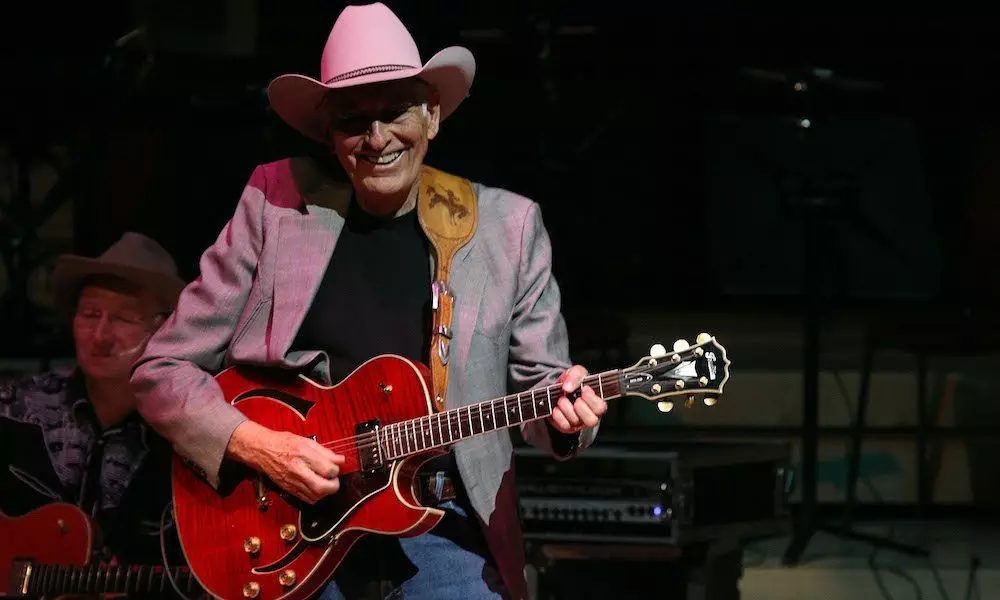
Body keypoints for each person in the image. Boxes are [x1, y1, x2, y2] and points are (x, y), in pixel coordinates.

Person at [129, 3, 607, 599]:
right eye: (354, 120)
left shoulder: (506, 227)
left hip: (444, 525)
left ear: (432, 116)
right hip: (289, 523)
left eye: (395, 112)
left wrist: (565, 417)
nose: (377, 138)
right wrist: (254, 444)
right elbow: (161, 370)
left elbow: (543, 389)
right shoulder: (273, 204)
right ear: (327, 134)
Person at [0, 232, 187, 570]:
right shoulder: (15, 408)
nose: (100, 336)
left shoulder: (184, 437)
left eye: (123, 319)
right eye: (89, 314)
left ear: (164, 330)